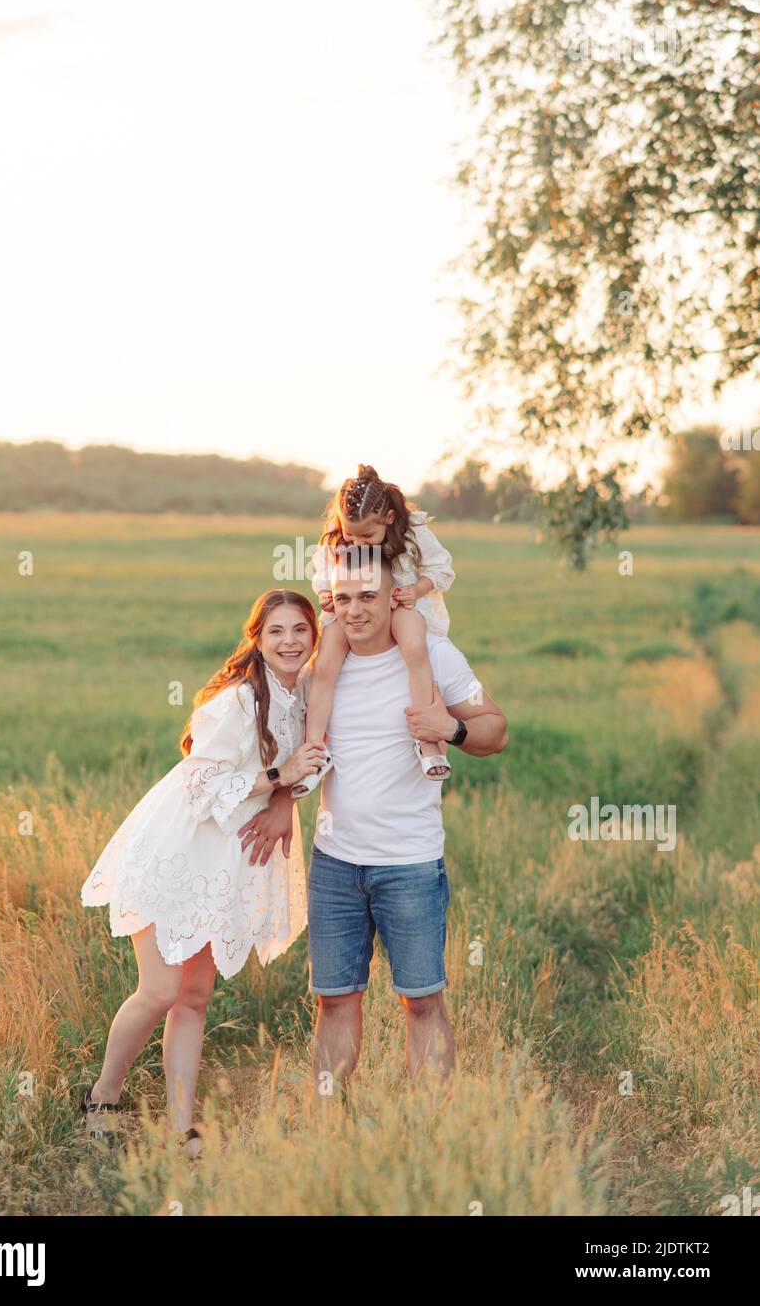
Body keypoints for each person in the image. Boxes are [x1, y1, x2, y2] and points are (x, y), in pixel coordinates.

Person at [239, 545, 508, 1088]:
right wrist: (281, 798)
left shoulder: (436, 656)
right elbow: (293, 746)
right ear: (330, 603)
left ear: (395, 597)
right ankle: (329, 1125)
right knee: (334, 1003)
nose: (356, 610)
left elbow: (495, 730)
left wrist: (450, 729)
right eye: (343, 599)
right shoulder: (321, 668)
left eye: (368, 596)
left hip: (410, 865)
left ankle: (431, 1135)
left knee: (423, 1001)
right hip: (336, 865)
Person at [79, 590, 325, 1154]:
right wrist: (275, 776)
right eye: (276, 632)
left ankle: (180, 1125)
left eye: (300, 631)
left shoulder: (307, 695)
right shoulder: (237, 702)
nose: (290, 642)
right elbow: (197, 785)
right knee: (160, 988)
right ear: (257, 641)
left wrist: (288, 789)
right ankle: (103, 1094)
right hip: (178, 852)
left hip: (228, 862)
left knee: (194, 996)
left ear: (313, 638)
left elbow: (309, 765)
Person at [295, 463, 456, 796]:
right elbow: (324, 572)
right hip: (357, 604)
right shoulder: (339, 536)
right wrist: (327, 593)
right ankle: (314, 750)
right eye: (351, 535)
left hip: (400, 600)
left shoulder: (413, 531)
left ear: (390, 519)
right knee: (324, 664)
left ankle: (427, 741)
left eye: (367, 536)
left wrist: (418, 589)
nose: (357, 543)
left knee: (413, 645)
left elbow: (441, 567)